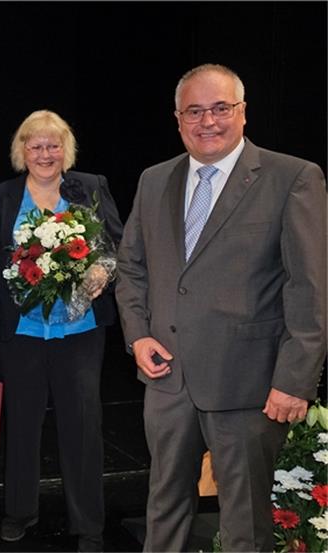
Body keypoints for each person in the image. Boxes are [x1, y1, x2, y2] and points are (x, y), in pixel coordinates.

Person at [116, 63, 327, 552]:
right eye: (194, 111)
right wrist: (138, 334)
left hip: (250, 385)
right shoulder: (155, 179)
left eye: (220, 108)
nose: (207, 121)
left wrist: (294, 380)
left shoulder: (292, 177)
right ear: (177, 119)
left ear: (243, 112)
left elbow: (309, 287)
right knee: (163, 508)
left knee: (244, 525)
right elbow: (132, 267)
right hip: (168, 380)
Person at [0, 110, 122, 551]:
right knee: (21, 423)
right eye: (35, 145)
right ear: (22, 151)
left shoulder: (89, 187)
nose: (44, 154)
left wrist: (104, 271)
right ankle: (20, 511)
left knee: (83, 425)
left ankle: (89, 525)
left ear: (66, 150)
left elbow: (117, 244)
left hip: (80, 330)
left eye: (53, 145)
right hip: (19, 331)